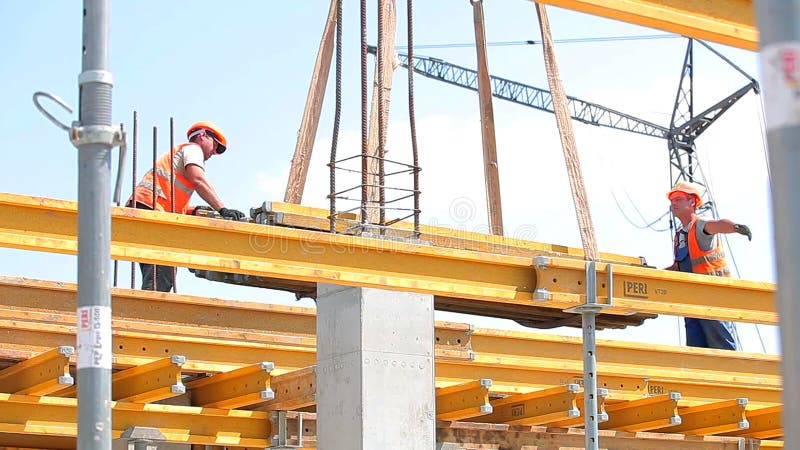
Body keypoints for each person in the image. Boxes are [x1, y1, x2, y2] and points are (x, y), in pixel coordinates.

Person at [127, 121, 246, 292]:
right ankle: (149, 311)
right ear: (203, 135)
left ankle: (145, 310)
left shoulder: (177, 158)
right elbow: (198, 180)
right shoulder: (192, 149)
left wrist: (195, 210)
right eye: (215, 145)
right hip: (151, 209)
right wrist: (222, 209)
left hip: (147, 208)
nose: (214, 151)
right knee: (163, 270)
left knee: (157, 271)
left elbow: (174, 201)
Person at [665, 181, 752, 350]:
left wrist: (735, 227)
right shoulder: (680, 236)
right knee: (696, 347)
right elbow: (678, 267)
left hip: (711, 295)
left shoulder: (700, 226)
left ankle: (730, 374)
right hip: (691, 299)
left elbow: (718, 225)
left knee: (720, 341)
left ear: (692, 202)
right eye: (672, 200)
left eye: (678, 199)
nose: (673, 203)